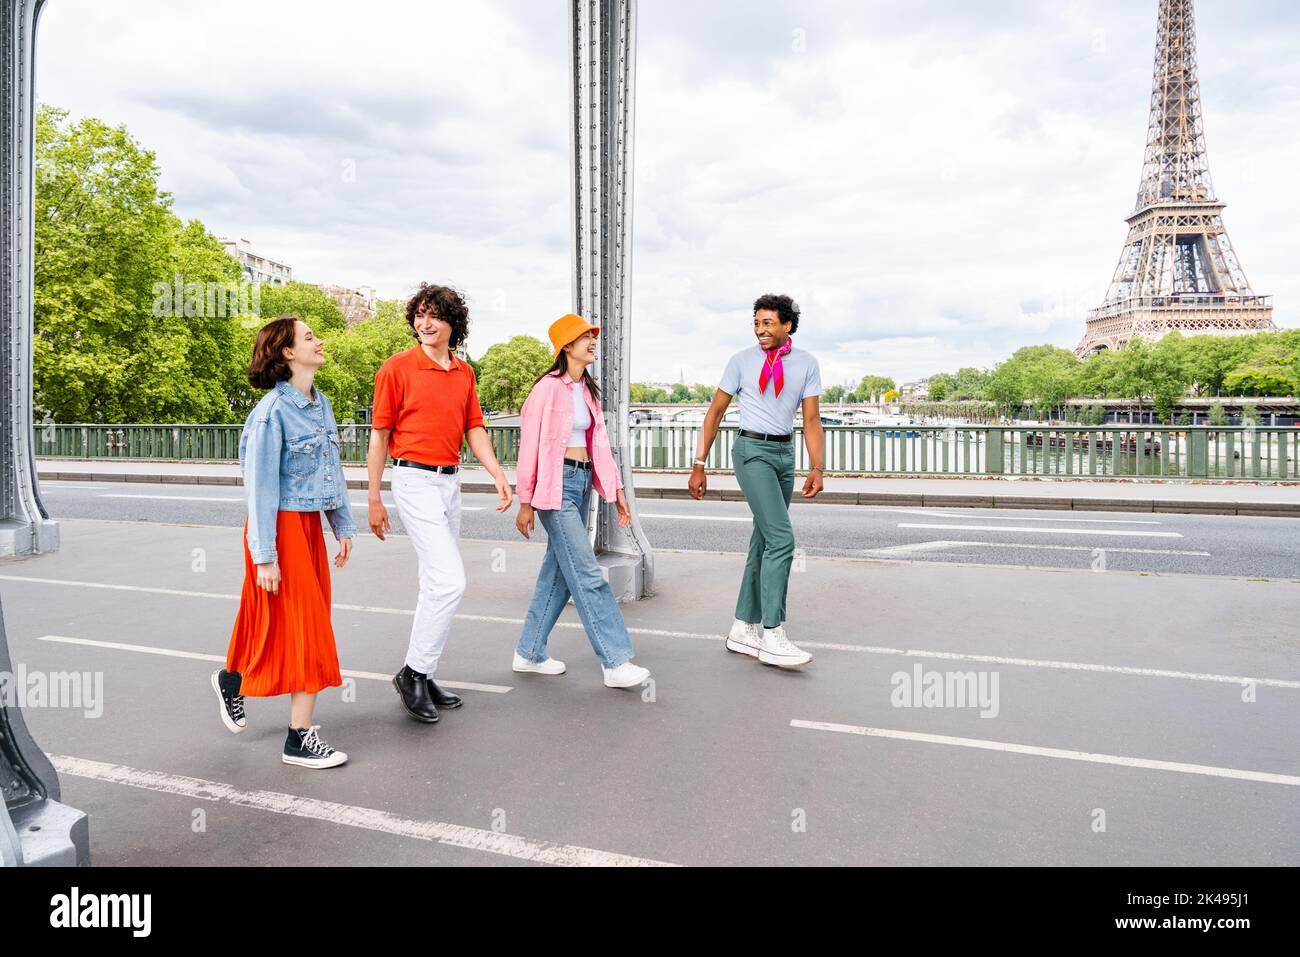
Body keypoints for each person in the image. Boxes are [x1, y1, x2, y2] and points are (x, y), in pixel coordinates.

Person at [211, 315, 357, 769]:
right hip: (278, 529)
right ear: (288, 353)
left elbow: (331, 471)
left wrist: (342, 526)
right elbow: (260, 491)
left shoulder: (322, 404)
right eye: (310, 336)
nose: (320, 340)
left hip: (308, 525)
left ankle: (232, 679)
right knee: (308, 627)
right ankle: (299, 737)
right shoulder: (270, 414)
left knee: (267, 616)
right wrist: (266, 555)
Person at [366, 283, 513, 723]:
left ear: (453, 324)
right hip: (412, 479)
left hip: (450, 483)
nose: (424, 324)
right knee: (451, 581)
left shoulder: (464, 373)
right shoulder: (396, 368)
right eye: (419, 315)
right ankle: (412, 673)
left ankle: (423, 674)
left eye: (434, 316)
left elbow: (474, 429)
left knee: (435, 583)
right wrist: (373, 496)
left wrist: (499, 474)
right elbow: (379, 436)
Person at [512, 314, 651, 689]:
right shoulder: (546, 389)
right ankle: (615, 661)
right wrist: (525, 501)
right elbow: (529, 447)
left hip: (582, 481)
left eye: (593, 337)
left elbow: (600, 445)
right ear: (565, 347)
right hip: (554, 490)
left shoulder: (586, 390)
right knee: (589, 574)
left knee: (556, 575)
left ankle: (529, 651)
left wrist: (618, 492)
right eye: (584, 337)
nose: (592, 342)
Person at [689, 294, 825, 668]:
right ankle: (772, 634)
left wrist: (817, 467)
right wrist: (699, 463)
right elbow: (715, 412)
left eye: (768, 323)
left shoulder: (807, 364)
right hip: (751, 452)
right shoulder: (740, 361)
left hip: (784, 454)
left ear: (788, 326)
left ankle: (741, 628)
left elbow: (811, 420)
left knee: (764, 539)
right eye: (756, 322)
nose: (760, 329)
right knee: (783, 539)